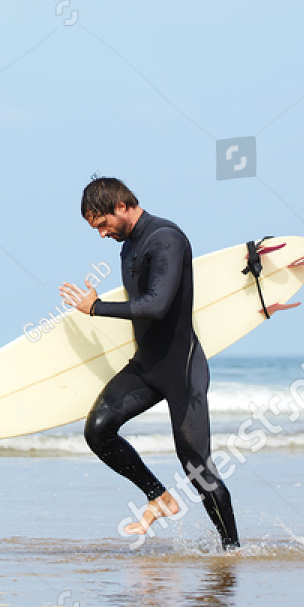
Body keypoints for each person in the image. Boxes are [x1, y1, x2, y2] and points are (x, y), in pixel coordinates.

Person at [57, 176, 241, 550]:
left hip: (181, 370)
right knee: (98, 431)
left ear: (121, 206)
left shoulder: (165, 239)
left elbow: (156, 306)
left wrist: (96, 308)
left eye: (103, 225)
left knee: (197, 468)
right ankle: (158, 496)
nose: (102, 234)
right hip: (146, 366)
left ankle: (232, 551)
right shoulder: (130, 247)